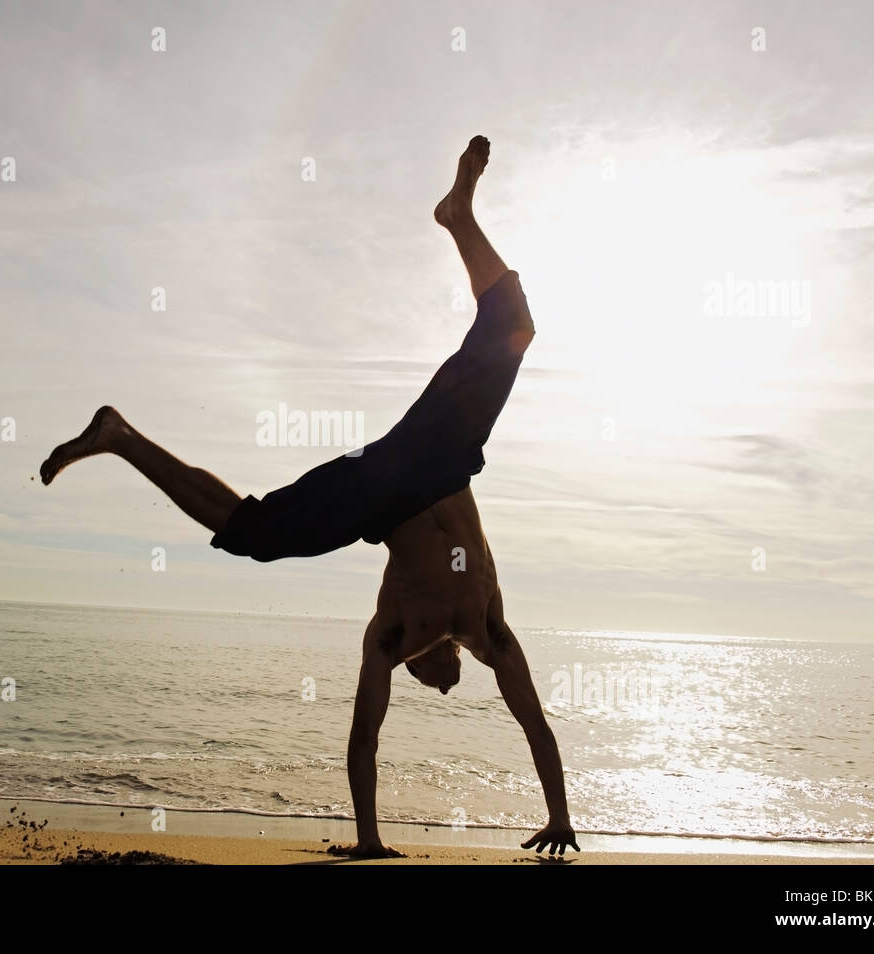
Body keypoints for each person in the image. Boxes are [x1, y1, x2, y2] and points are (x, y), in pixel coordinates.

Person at [41, 136, 578, 859]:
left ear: (414, 664)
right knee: (512, 326)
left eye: (428, 682)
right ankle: (458, 215)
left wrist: (368, 843)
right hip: (433, 459)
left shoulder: (392, 636)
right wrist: (562, 816)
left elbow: (364, 735)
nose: (446, 689)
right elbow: (534, 728)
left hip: (392, 481)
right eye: (438, 681)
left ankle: (122, 438)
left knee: (254, 532)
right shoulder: (488, 628)